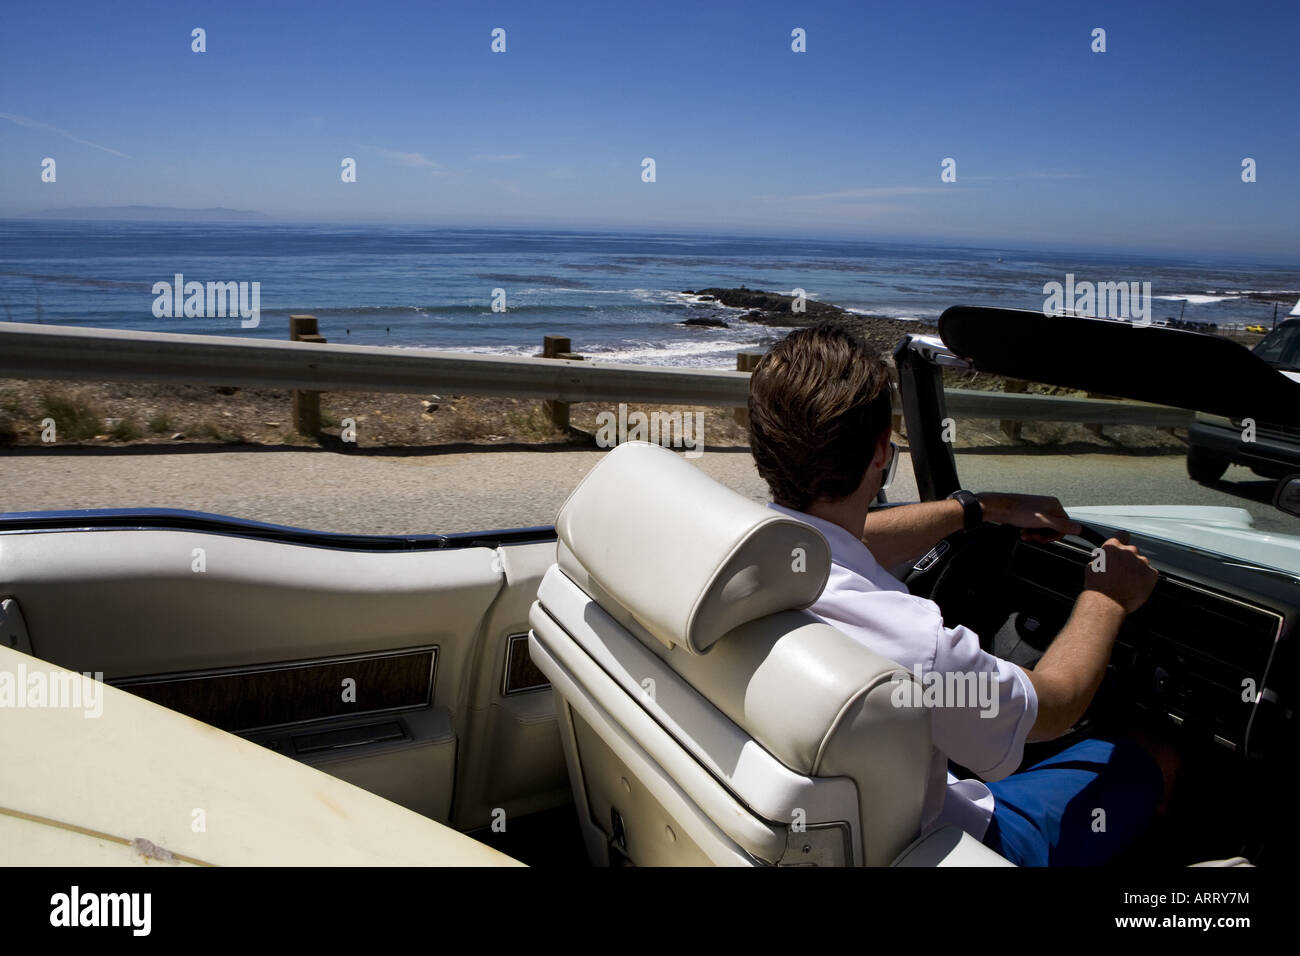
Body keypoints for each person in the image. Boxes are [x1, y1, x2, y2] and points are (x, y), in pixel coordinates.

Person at [747, 323, 1173, 866]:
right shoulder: (914, 648)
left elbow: (845, 542)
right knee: (1153, 755)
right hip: (950, 842)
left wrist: (981, 508)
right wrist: (1107, 599)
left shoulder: (735, 552)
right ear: (883, 450)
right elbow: (1055, 707)